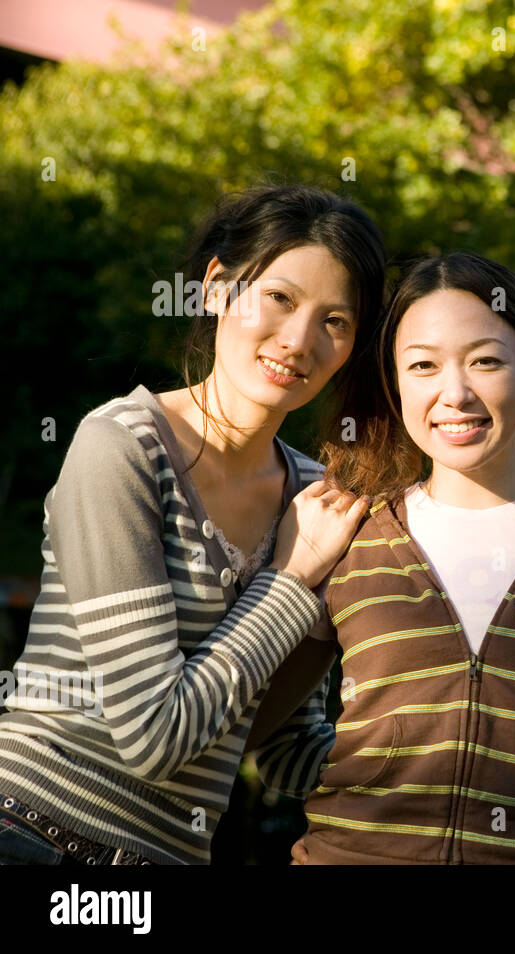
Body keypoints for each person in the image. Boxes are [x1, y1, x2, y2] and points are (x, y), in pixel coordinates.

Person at [0, 184, 384, 865]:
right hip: (32, 837)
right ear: (215, 287)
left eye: (335, 321)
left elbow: (284, 751)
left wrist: (450, 760)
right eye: (279, 298)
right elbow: (154, 737)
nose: (298, 340)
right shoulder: (123, 445)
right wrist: (292, 582)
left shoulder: (311, 501)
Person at [280, 252, 515, 863]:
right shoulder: (348, 535)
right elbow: (265, 724)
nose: (454, 393)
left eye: (485, 360)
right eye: (423, 365)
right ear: (393, 381)